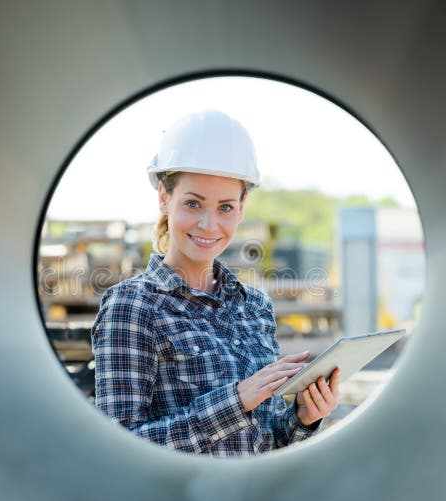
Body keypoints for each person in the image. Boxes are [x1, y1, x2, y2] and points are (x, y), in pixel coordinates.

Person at [91, 110, 340, 456]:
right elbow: (117, 450)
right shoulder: (132, 306)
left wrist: (303, 418)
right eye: (193, 203)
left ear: (241, 209)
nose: (209, 224)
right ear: (164, 198)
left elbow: (267, 442)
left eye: (225, 207)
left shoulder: (254, 306)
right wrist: (235, 401)